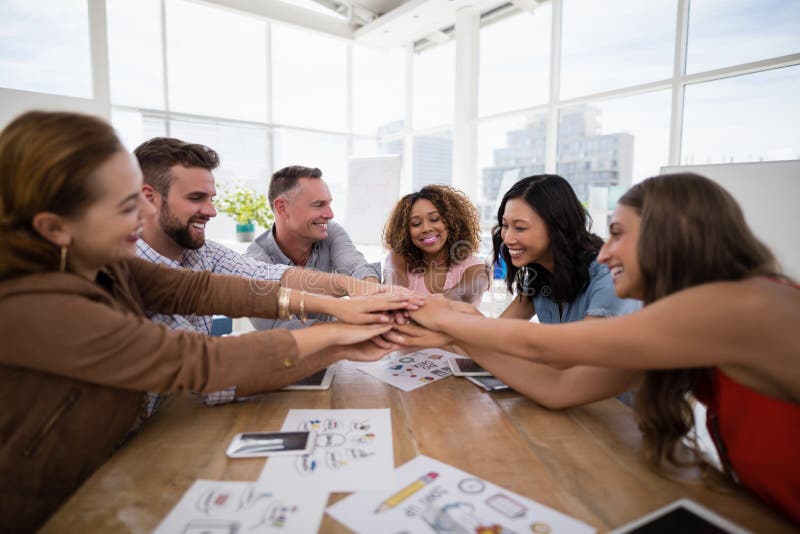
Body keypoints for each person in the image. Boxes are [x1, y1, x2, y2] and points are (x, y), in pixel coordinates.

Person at [0, 111, 414, 532]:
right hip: (53, 507)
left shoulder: (107, 263)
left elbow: (202, 289)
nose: (142, 215)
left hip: (131, 456)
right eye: (128, 205)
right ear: (54, 228)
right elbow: (197, 360)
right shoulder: (33, 307)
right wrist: (337, 333)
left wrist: (343, 308)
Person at [405, 173, 800, 522]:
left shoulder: (749, 304)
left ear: (671, 237)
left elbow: (551, 349)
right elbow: (561, 390)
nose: (606, 251)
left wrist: (446, 320)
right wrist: (455, 333)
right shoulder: (679, 327)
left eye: (618, 233)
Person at [134, 138, 401, 414]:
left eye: (211, 199)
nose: (212, 211)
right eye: (195, 198)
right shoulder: (130, 275)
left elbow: (266, 280)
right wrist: (340, 336)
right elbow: (215, 371)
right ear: (148, 197)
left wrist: (351, 292)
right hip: (140, 434)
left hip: (177, 413)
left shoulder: (202, 253)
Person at [246, 165, 381, 330]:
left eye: (329, 204)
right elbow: (279, 327)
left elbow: (356, 268)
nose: (330, 214)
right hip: (288, 352)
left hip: (337, 344)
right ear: (282, 207)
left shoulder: (330, 231)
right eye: (319, 205)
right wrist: (345, 329)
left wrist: (373, 293)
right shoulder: (254, 262)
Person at [382, 184, 489, 306]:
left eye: (434, 219)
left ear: (451, 222)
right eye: (416, 224)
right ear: (405, 231)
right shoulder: (398, 259)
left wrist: (409, 307)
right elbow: (393, 295)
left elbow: (456, 299)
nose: (426, 228)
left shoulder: (476, 268)